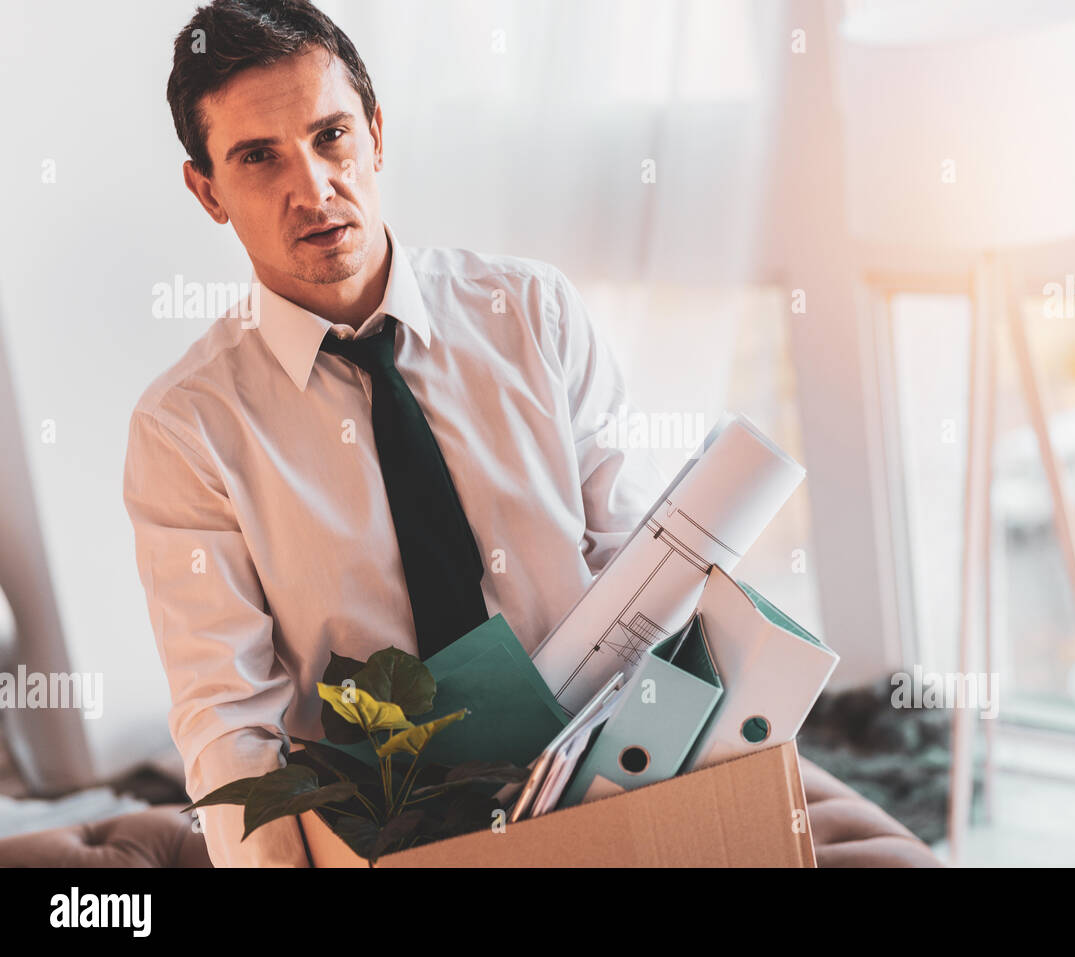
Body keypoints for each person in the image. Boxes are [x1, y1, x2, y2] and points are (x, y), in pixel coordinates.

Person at [125, 0, 936, 868]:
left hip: (610, 775)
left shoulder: (534, 315)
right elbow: (228, 721)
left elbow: (638, 564)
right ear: (207, 190)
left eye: (331, 136)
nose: (314, 187)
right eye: (259, 158)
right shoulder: (185, 431)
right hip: (404, 834)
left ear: (377, 134)